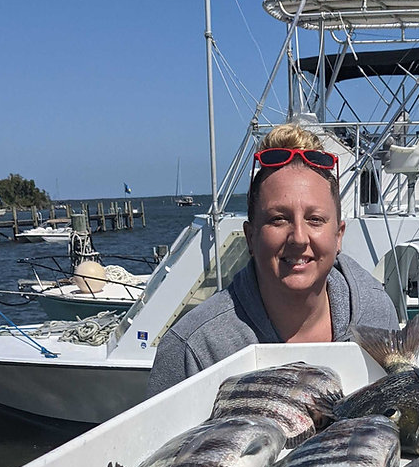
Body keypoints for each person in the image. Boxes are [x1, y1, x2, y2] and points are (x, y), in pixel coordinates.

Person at [146, 123, 399, 397]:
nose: (299, 238)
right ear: (250, 236)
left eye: (315, 220)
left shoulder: (376, 311)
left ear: (338, 236)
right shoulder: (193, 350)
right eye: (278, 219)